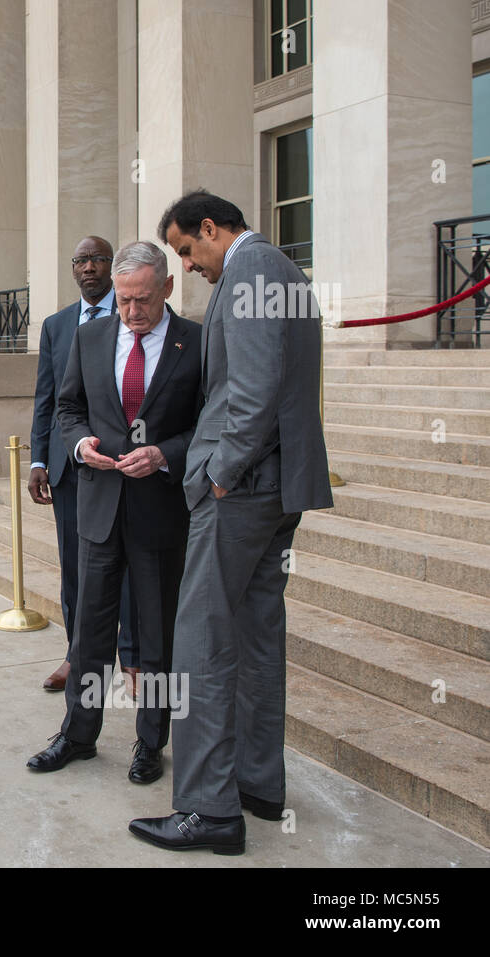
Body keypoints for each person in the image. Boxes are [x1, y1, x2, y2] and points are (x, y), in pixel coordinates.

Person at [129, 191, 332, 855]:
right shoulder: (287, 270)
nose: (186, 265)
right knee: (256, 632)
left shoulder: (249, 270)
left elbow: (252, 389)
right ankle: (256, 783)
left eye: (188, 250)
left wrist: (219, 472)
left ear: (212, 229)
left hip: (241, 491)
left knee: (202, 643)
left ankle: (207, 809)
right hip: (281, 487)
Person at [26, 242, 202, 784]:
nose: (132, 312)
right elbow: (68, 407)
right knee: (90, 632)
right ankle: (78, 735)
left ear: (168, 288)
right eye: (124, 301)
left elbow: (206, 425)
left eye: (143, 300)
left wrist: (164, 454)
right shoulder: (89, 335)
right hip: (99, 508)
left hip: (159, 515)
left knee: (155, 637)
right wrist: (79, 447)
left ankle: (151, 742)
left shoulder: (196, 343)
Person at [29, 236, 140, 695]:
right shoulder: (56, 325)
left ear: (111, 267)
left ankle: (133, 659)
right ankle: (77, 655)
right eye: (80, 261)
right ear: (72, 269)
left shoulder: (134, 313)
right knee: (75, 567)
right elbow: (48, 397)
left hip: (122, 466)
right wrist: (39, 457)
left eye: (97, 259)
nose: (88, 268)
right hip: (71, 469)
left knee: (132, 566)